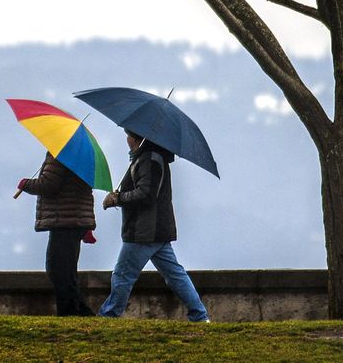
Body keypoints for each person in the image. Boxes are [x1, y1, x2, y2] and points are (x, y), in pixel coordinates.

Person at [98, 130, 209, 322]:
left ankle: (109, 315)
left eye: (128, 135)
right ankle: (199, 315)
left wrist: (119, 199)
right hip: (157, 230)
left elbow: (146, 194)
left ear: (135, 138)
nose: (126, 140)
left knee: (123, 275)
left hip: (144, 231)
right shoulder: (150, 158)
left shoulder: (149, 159)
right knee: (175, 275)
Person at [17, 152, 98, 316]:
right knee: (66, 272)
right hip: (73, 220)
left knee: (58, 270)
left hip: (64, 221)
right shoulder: (80, 153)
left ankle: (70, 313)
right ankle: (81, 312)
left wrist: (25, 184)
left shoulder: (60, 153)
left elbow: (48, 185)